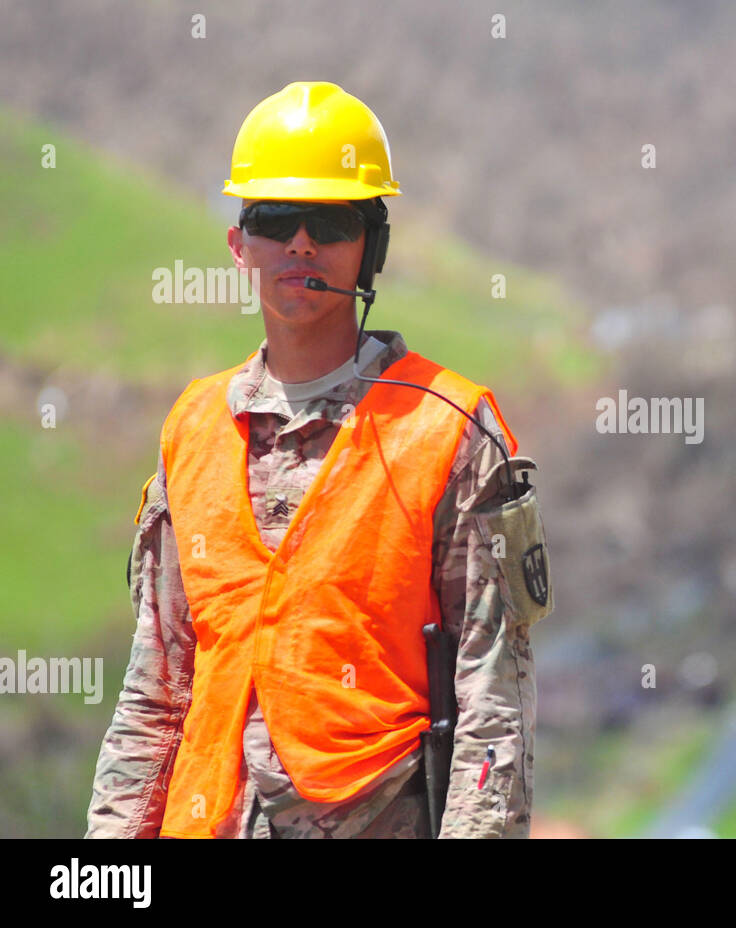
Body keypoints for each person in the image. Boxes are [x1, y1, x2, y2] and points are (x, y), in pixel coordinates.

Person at [85, 81, 553, 838]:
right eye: (276, 219)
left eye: (331, 221)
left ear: (372, 245)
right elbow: (157, 694)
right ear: (240, 245)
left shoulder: (450, 429)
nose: (302, 244)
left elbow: (493, 705)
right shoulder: (195, 427)